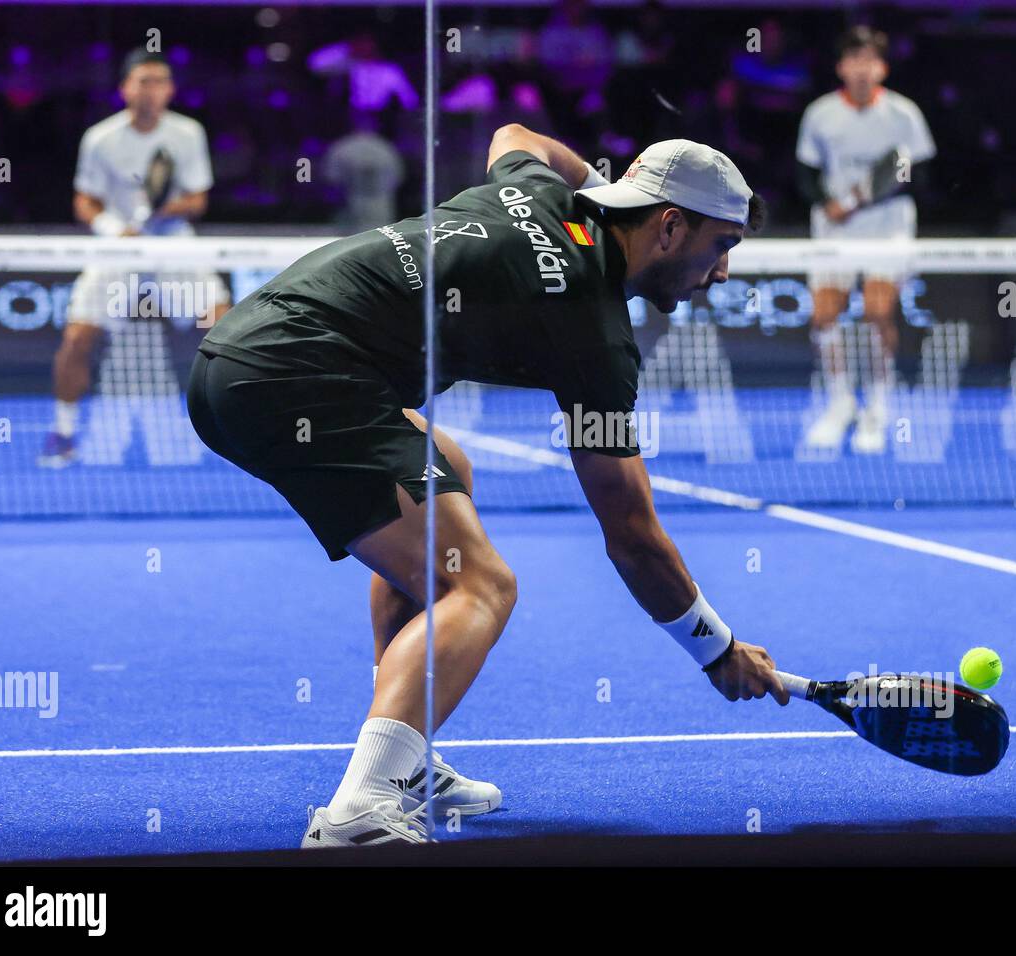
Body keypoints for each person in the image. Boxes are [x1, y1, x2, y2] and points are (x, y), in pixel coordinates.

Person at [187, 125, 781, 848]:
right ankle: (361, 808)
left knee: (447, 467)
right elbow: (632, 536)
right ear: (669, 225)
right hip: (298, 375)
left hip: (243, 351)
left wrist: (592, 189)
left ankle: (402, 752)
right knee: (482, 585)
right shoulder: (594, 342)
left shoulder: (535, 189)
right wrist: (717, 650)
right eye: (721, 246)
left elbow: (515, 132)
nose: (719, 273)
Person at [39, 49, 229, 467]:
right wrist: (112, 227)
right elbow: (85, 200)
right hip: (117, 249)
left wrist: (161, 212)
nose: (151, 89)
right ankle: (64, 432)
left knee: (227, 332)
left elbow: (196, 199)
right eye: (143, 80)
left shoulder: (188, 133)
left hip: (172, 244)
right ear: (125, 88)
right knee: (76, 338)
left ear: (171, 90)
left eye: (160, 81)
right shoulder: (100, 138)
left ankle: (237, 429)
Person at [795, 27, 935, 454]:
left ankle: (877, 406)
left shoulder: (903, 115)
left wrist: (861, 198)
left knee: (877, 312)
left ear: (882, 68)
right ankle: (840, 404)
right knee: (823, 316)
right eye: (853, 60)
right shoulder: (820, 114)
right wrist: (829, 203)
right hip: (834, 228)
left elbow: (920, 177)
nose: (861, 69)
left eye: (870, 60)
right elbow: (805, 176)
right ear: (841, 67)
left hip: (887, 225)